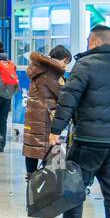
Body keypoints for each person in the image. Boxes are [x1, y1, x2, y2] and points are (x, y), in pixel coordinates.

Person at [46, 25, 110, 218]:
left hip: (89, 138)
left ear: (94, 42)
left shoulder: (84, 65)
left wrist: (56, 129)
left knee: (75, 187)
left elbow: (69, 99)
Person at [21, 45, 71, 174]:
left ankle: (31, 180)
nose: (65, 66)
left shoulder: (40, 68)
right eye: (65, 62)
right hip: (46, 115)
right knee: (54, 146)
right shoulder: (52, 73)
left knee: (33, 147)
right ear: (59, 59)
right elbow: (62, 94)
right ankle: (56, 181)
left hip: (34, 114)